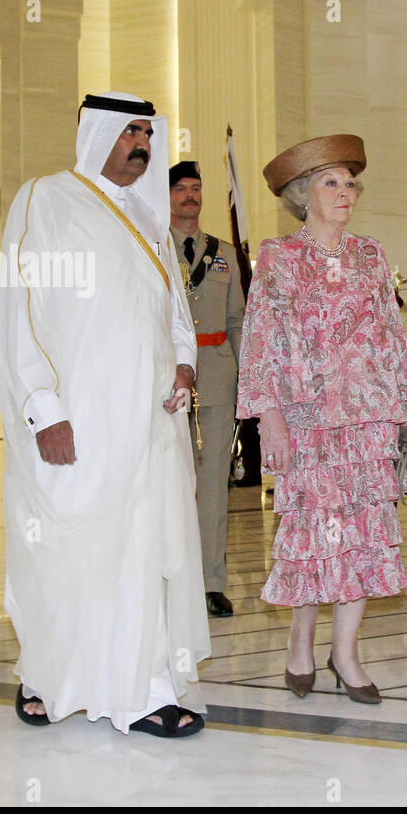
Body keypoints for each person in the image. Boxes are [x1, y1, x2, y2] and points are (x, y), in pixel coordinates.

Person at [0, 92, 209, 736]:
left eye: (146, 132)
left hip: (150, 422)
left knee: (144, 552)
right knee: (69, 553)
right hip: (78, 420)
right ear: (96, 134)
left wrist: (184, 363)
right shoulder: (45, 198)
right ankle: (47, 674)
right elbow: (19, 311)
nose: (141, 143)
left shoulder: (150, 218)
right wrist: (42, 409)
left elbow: (174, 309)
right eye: (128, 131)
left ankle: (142, 689)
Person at [240, 134, 407, 703]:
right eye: (332, 182)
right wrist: (269, 418)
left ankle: (345, 653)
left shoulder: (370, 255)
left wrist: (402, 421)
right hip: (306, 421)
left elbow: (390, 338)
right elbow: (261, 341)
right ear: (303, 194)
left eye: (350, 183)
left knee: (365, 536)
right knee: (312, 536)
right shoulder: (279, 256)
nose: (346, 191)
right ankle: (300, 643)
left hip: (367, 422)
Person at [169, 159, 246, 618]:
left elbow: (238, 321)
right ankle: (169, 578)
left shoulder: (225, 253)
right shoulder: (152, 248)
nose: (190, 196)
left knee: (214, 484)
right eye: (181, 188)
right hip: (166, 381)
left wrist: (248, 383)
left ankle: (212, 581)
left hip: (217, 378)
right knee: (167, 482)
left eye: (196, 188)